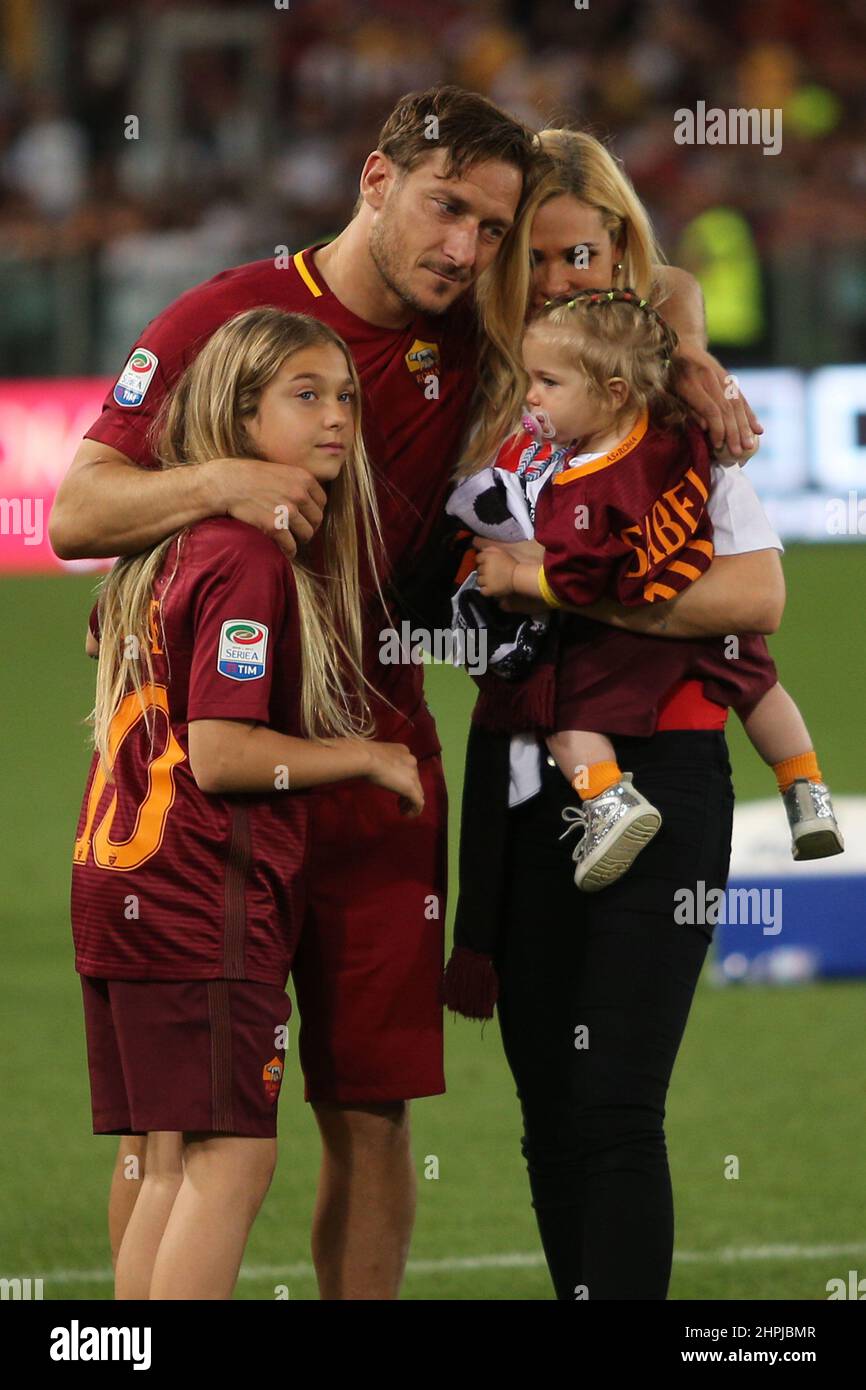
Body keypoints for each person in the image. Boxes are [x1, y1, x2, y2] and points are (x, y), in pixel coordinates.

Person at [51, 88, 778, 1300]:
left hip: (382, 753)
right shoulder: (230, 319)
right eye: (448, 211)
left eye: (493, 231)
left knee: (372, 1107)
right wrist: (225, 478)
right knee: (177, 1128)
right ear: (375, 178)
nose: (467, 250)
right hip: (217, 768)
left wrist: (688, 346)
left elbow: (630, 277)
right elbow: (76, 508)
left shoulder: (489, 329)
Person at [443, 127, 798, 1300]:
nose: (556, 281)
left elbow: (753, 596)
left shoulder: (676, 416)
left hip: (666, 765)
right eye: (531, 261)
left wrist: (560, 585)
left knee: (610, 1101)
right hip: (517, 768)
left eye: (579, 254)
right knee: (548, 1101)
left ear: (621, 251)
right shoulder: (488, 405)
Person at [74, 308, 425, 1299]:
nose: (337, 419)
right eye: (304, 396)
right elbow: (224, 756)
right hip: (199, 893)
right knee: (232, 1157)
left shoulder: (165, 538)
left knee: (164, 1155)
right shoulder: (247, 555)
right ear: (236, 414)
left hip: (118, 880)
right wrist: (366, 757)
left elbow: (103, 643)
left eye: (346, 397)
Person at [455, 288, 843, 891]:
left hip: (640, 627)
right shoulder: (674, 427)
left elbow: (579, 579)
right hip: (709, 607)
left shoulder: (581, 482)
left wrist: (520, 574)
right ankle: (806, 788)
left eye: (548, 382)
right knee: (760, 687)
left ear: (611, 393)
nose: (530, 395)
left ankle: (608, 800)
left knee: (558, 704)